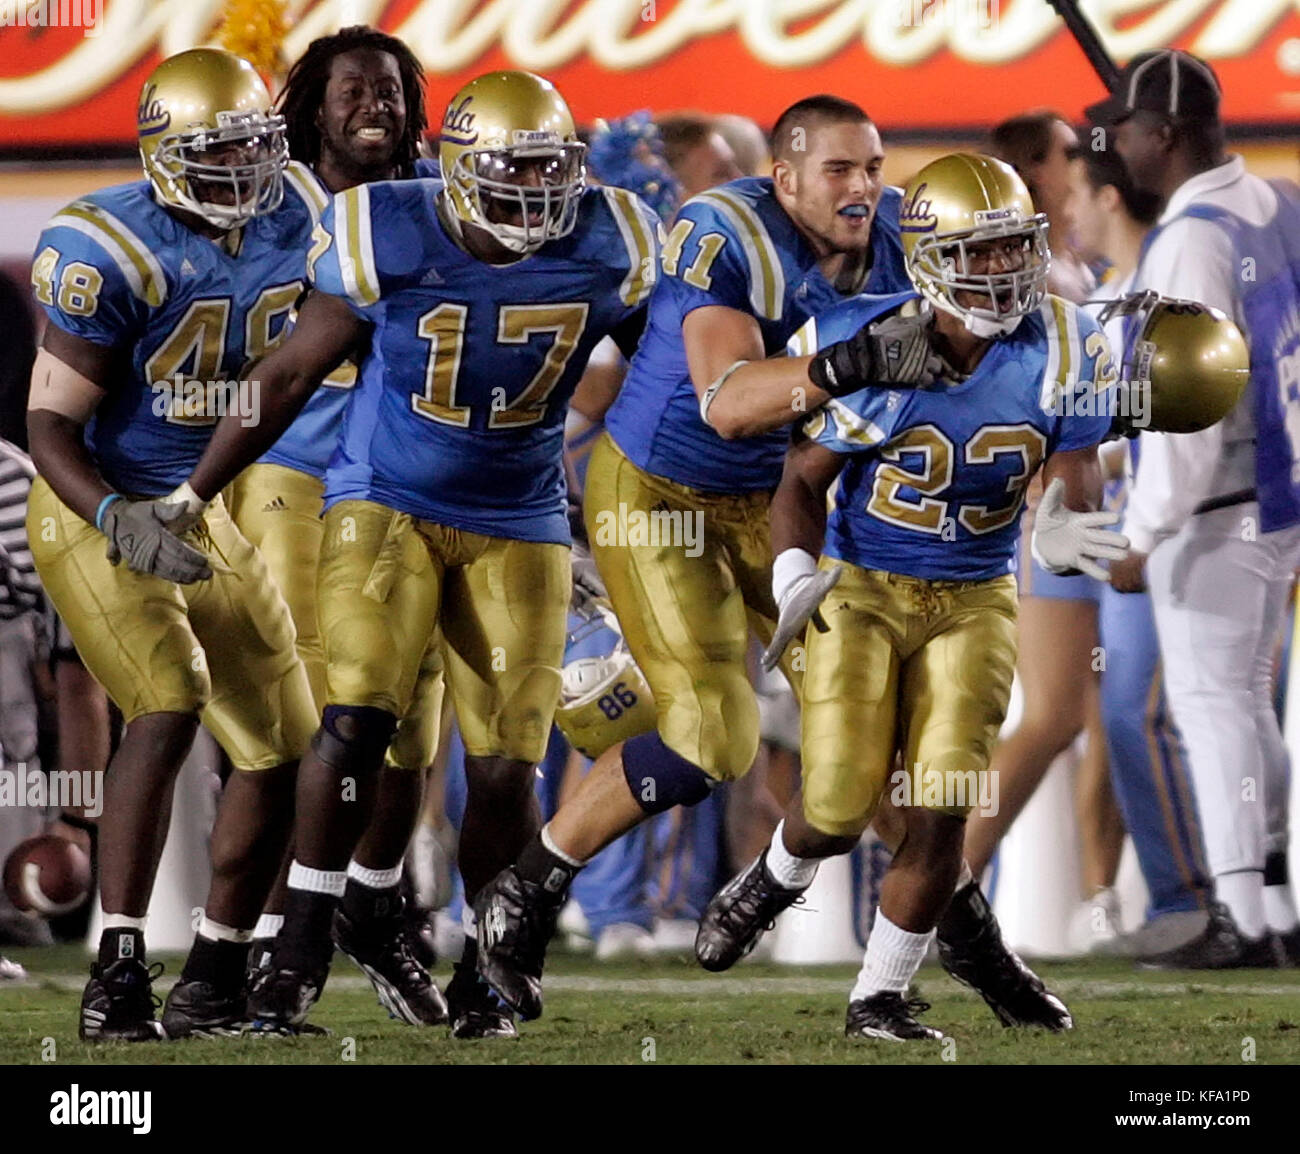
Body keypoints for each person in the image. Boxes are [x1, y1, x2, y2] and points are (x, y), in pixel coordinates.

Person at [471, 102, 1071, 1035]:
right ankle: (533, 885)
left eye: (872, 166)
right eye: (838, 170)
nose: (862, 188)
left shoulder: (906, 235)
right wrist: (851, 360)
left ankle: (961, 939)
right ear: (785, 177)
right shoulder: (729, 230)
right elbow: (725, 402)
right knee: (714, 732)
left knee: (871, 748)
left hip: (785, 500)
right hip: (661, 493)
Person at [170, 70, 663, 1038]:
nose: (534, 191)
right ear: (459, 169)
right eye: (512, 169)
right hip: (383, 498)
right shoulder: (383, 227)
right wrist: (191, 491)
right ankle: (299, 946)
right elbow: (289, 370)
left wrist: (652, 529)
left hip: (518, 513)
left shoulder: (615, 237)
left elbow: (670, 380)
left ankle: (491, 965)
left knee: (507, 764)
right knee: (355, 716)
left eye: (549, 168)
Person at [699, 153, 1123, 1039]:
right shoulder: (881, 344)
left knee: (943, 799)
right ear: (930, 258)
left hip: (977, 593)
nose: (1006, 272)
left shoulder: (1068, 339)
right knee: (840, 803)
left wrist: (1057, 525)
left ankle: (878, 997)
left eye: (1016, 250)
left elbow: (1074, 471)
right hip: (863, 587)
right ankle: (779, 870)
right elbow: (802, 480)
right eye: (982, 253)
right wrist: (791, 576)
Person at [25, 48, 320, 1040]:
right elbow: (51, 427)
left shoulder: (299, 215)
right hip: (92, 504)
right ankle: (116, 971)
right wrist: (117, 518)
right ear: (161, 154)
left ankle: (215, 975)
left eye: (255, 144)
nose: (244, 168)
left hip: (201, 505)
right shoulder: (108, 244)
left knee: (286, 739)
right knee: (169, 695)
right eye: (218, 149)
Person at [222, 25, 449, 1026]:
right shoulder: (270, 201)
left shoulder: (449, 198)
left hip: (417, 486)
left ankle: (371, 898)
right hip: (294, 473)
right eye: (352, 88)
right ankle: (278, 943)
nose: (375, 106)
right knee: (324, 714)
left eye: (392, 91)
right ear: (312, 101)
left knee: (410, 729)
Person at [1094, 49, 1300, 964]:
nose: (1116, 149)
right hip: (1277, 496)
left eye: (1128, 131)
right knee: (1249, 705)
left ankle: (1241, 921)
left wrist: (1142, 531)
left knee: (1212, 709)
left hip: (1216, 506)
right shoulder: (1277, 200)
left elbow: (1189, 406)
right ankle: (1277, 903)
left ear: (1164, 134)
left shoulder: (1190, 239)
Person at [1068, 145, 1216, 956]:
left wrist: (1099, 457)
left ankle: (1200, 900)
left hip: (1174, 531)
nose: (1072, 214)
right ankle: (1191, 897)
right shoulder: (1097, 301)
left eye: (1083, 195)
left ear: (1113, 197)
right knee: (1129, 715)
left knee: (1150, 712)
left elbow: (1180, 417)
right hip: (1110, 535)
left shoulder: (1173, 291)